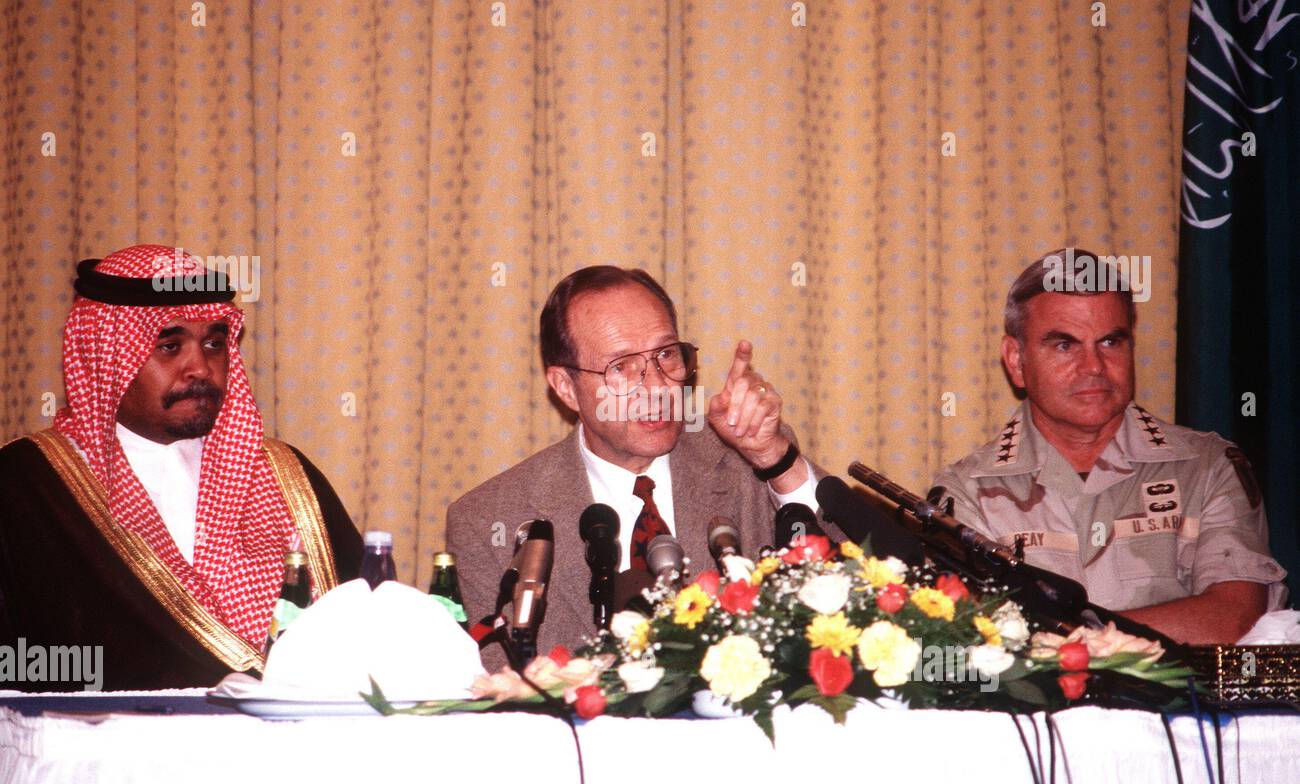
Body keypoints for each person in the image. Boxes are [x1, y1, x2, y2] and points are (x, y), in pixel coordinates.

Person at [0, 245, 363, 690]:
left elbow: (369, 627)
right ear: (106, 358)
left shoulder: (287, 476)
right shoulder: (24, 484)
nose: (200, 368)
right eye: (169, 346)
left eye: (213, 344)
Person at [447, 265, 833, 664]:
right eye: (622, 367)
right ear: (566, 387)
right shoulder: (488, 519)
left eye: (666, 355)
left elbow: (857, 585)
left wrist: (774, 459)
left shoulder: (746, 463)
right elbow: (501, 685)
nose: (658, 386)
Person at [931, 248, 1287, 645]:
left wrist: (1074, 642)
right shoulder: (968, 491)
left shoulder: (1206, 466)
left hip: (1185, 707)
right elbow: (968, 641)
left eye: (1110, 342)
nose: (1094, 367)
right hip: (1030, 709)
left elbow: (1234, 616)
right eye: (1065, 345)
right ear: (1016, 360)